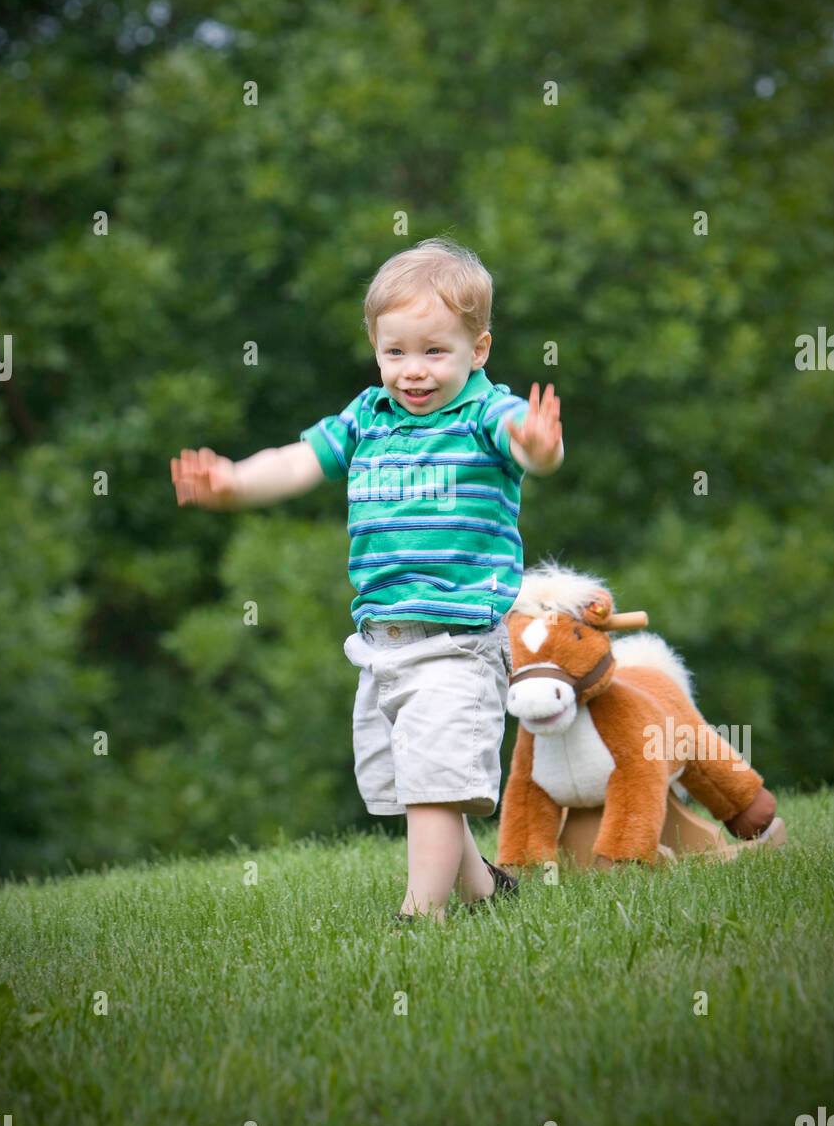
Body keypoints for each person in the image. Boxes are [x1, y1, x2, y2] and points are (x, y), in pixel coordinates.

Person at [171, 238, 564, 925]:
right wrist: (234, 482)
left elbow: (526, 442)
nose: (413, 370)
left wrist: (539, 445)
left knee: (435, 782)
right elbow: (296, 461)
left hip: (458, 640)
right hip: (382, 641)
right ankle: (483, 890)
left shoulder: (484, 414)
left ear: (478, 349)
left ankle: (421, 915)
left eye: (435, 351)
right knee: (418, 777)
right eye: (395, 351)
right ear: (376, 349)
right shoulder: (367, 417)